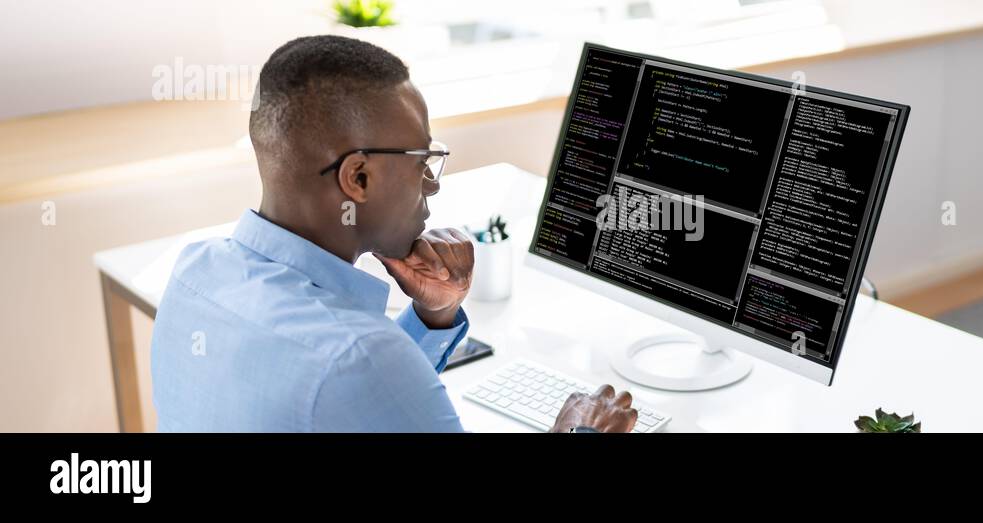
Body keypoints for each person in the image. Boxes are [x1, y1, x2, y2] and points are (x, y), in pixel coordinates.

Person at [150, 35, 637, 433]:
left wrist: (434, 314)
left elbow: (362, 408)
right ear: (357, 179)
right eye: (421, 160)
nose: (433, 182)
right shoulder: (359, 358)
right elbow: (358, 374)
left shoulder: (193, 272)